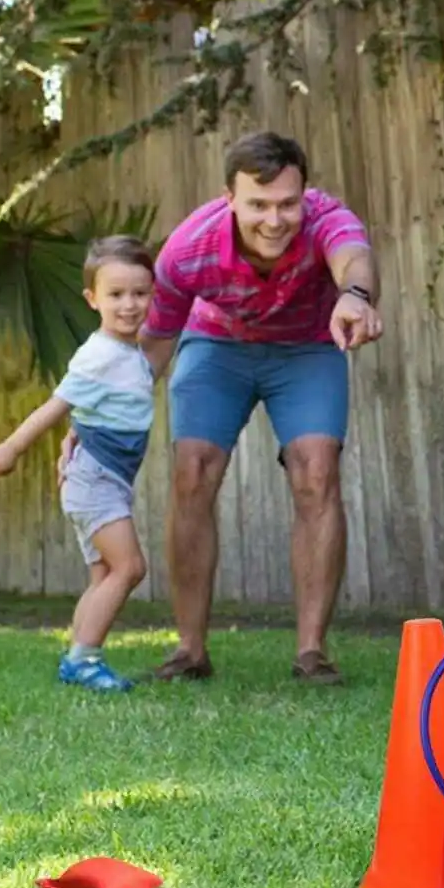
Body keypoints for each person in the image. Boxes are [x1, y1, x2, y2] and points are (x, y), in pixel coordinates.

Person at [63, 131, 383, 685]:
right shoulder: (191, 247)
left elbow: (354, 258)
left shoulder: (328, 218)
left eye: (288, 203)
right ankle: (189, 649)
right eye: (258, 204)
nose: (275, 219)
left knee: (317, 471)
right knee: (193, 471)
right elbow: (154, 347)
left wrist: (354, 298)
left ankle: (312, 651)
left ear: (304, 196)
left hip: (305, 347)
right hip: (216, 346)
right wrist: (91, 419)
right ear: (229, 197)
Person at [0, 235, 157, 692]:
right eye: (116, 295)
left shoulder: (128, 351)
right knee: (130, 568)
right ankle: (85, 659)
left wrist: (76, 436)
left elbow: (91, 411)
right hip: (94, 480)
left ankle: (75, 659)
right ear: (92, 299)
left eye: (140, 294)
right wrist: (12, 448)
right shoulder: (100, 355)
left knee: (103, 572)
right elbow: (56, 406)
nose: (129, 305)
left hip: (107, 477)